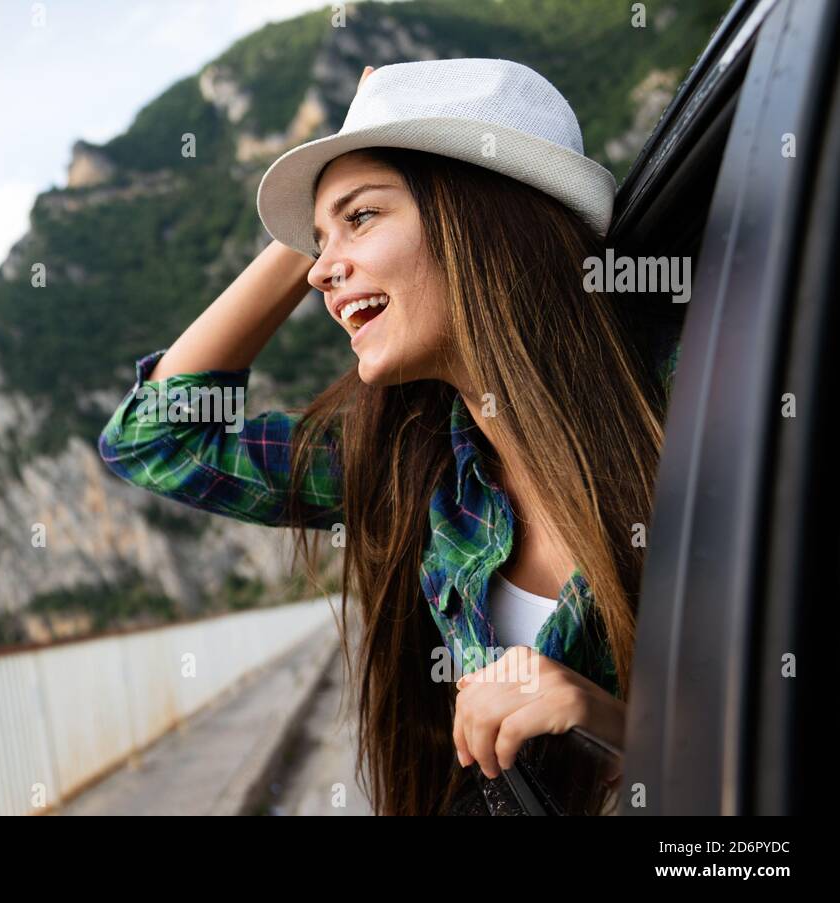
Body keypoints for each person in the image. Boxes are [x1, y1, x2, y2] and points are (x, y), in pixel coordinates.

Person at [96, 59, 682, 815]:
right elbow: (155, 438)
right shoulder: (411, 466)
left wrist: (624, 735)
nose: (317, 273)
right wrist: (332, 199)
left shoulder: (695, 398)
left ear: (483, 213)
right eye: (316, 242)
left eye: (363, 215)